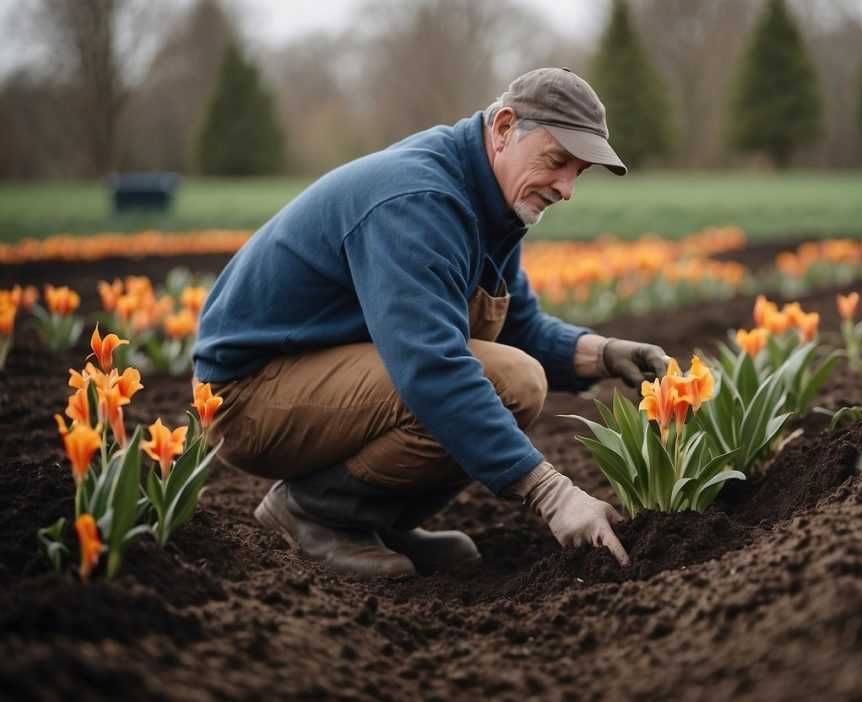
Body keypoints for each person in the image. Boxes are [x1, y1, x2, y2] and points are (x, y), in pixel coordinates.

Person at [193, 67, 671, 579]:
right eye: (557, 162)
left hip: (315, 374)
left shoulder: (492, 202)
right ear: (505, 128)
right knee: (510, 383)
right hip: (247, 396)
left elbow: (517, 326)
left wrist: (602, 353)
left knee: (512, 376)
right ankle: (315, 511)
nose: (568, 188)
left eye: (580, 172)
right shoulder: (420, 201)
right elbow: (431, 369)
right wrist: (551, 493)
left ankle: (373, 519)